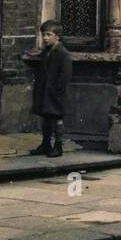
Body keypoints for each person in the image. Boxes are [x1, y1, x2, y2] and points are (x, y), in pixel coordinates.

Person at [30, 20, 72, 157]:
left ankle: (58, 146)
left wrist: (57, 91)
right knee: (46, 118)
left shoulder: (63, 53)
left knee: (57, 119)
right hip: (46, 91)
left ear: (57, 36)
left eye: (49, 34)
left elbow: (65, 75)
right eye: (43, 35)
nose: (45, 38)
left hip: (56, 93)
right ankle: (46, 144)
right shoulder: (47, 51)